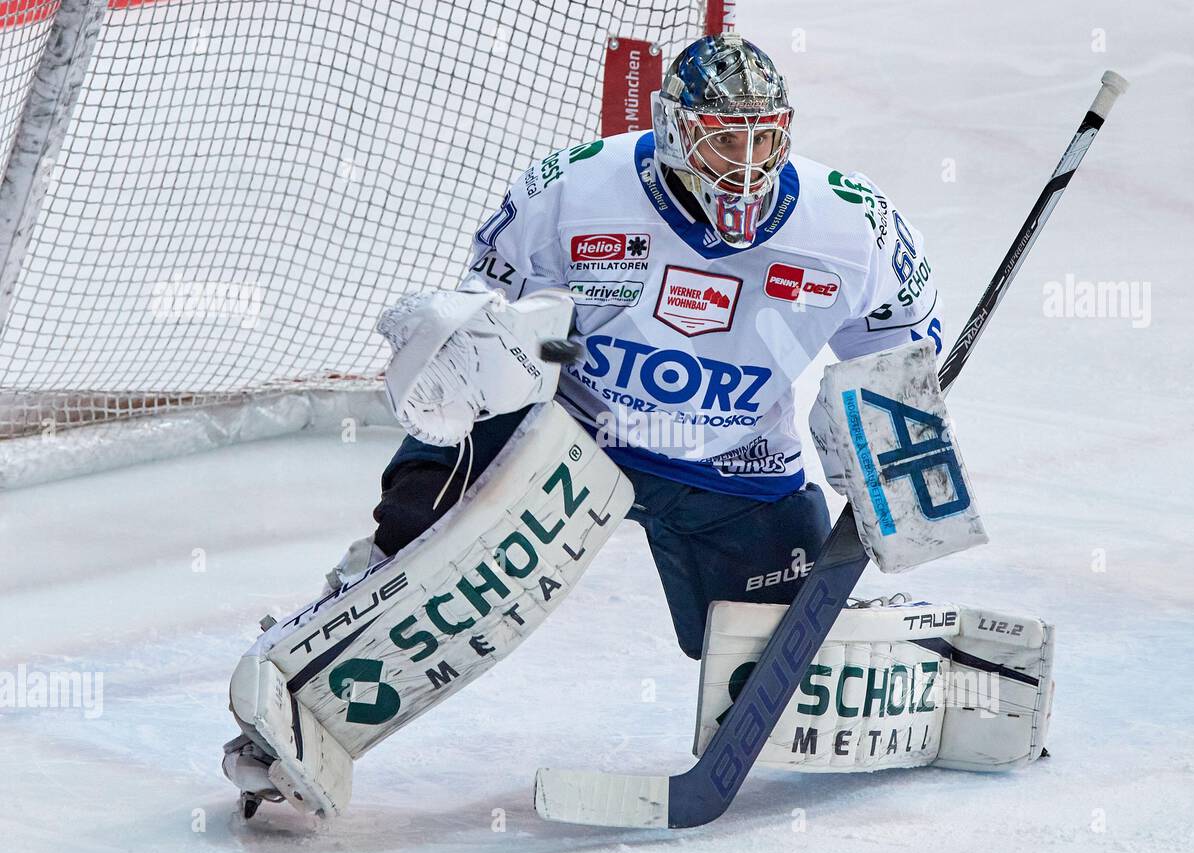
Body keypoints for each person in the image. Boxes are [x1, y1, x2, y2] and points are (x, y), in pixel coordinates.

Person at [360, 32, 947, 661]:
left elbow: (896, 350)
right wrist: (466, 357)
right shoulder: (574, 186)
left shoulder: (852, 223)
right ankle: (340, 630)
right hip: (563, 430)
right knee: (421, 534)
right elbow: (494, 323)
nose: (746, 163)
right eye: (724, 139)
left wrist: (887, 448)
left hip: (732, 466)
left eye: (763, 138)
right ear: (675, 131)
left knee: (779, 657)